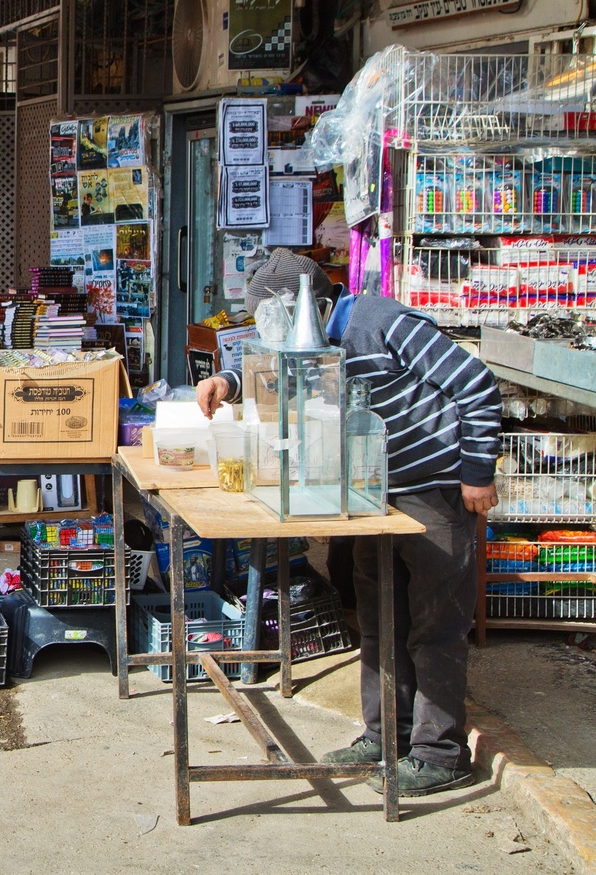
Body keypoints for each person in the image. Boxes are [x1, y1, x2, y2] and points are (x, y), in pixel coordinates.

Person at [195, 249, 501, 797]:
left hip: (433, 492)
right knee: (381, 618)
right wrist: (230, 382)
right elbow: (280, 366)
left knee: (434, 628)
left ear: (313, 303)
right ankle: (384, 735)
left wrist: (477, 471)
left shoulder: (383, 322)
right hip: (370, 497)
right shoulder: (315, 340)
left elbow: (475, 384)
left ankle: (440, 754)